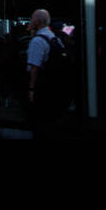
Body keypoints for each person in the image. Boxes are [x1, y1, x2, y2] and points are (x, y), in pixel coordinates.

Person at [25, 8, 69, 139]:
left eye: (32, 18)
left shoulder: (37, 41)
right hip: (53, 87)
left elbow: (34, 67)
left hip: (41, 88)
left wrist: (31, 89)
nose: (30, 20)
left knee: (39, 124)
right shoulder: (53, 38)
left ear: (38, 21)